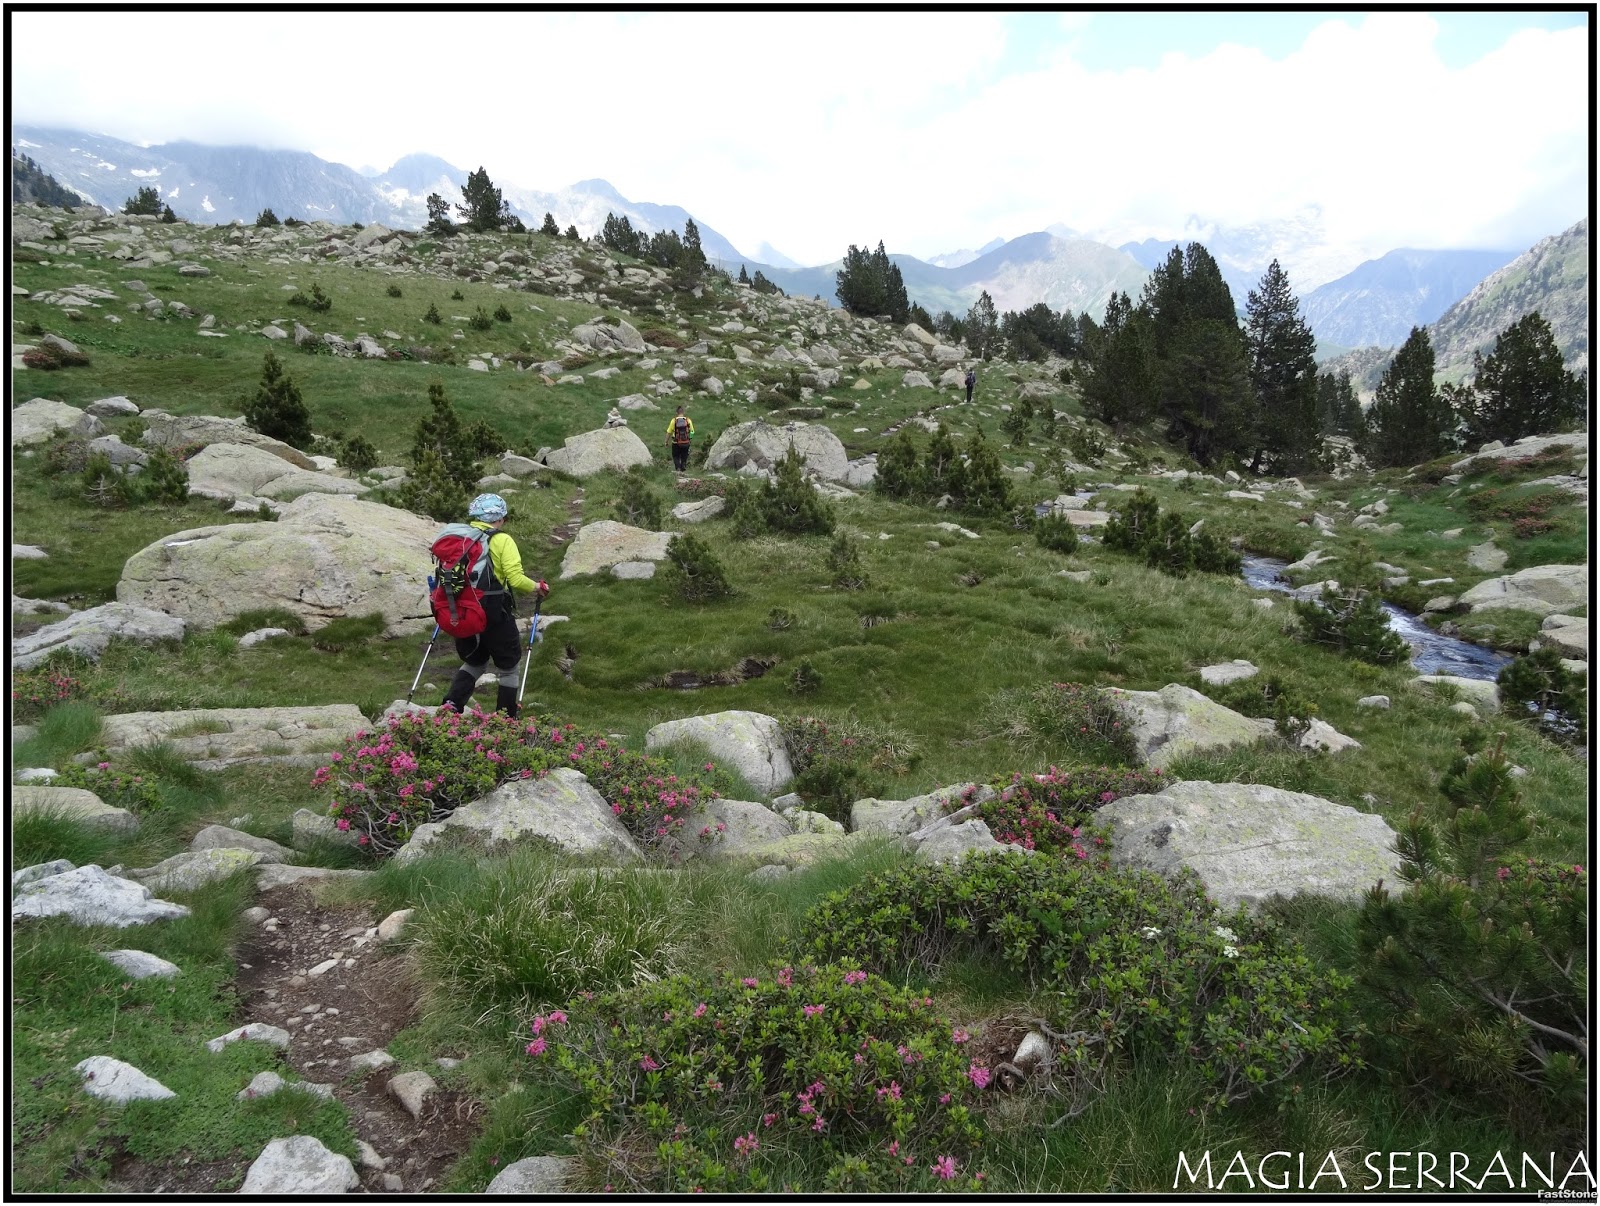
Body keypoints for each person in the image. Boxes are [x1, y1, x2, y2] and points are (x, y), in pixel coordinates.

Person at [437, 493, 548, 719]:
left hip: (463, 610)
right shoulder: (502, 540)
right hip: (493, 612)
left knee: (475, 661)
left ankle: (449, 708)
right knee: (509, 666)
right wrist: (538, 587)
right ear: (500, 518)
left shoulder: (460, 537)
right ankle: (505, 721)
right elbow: (515, 579)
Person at [667, 405, 695, 472]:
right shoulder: (688, 420)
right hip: (685, 442)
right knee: (684, 456)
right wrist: (689, 439)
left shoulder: (673, 421)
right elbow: (692, 431)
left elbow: (668, 432)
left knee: (676, 456)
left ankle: (678, 468)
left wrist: (666, 441)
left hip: (676, 442)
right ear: (683, 412)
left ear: (677, 412)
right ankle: (683, 466)